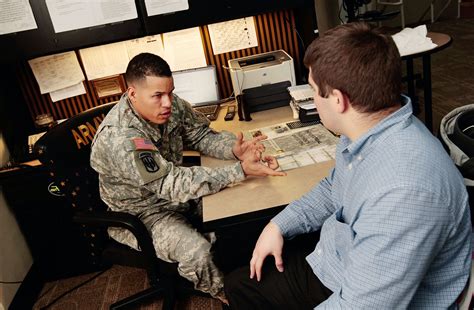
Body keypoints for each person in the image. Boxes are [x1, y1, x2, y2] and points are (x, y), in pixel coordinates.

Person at [224, 22, 472, 309]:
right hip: (343, 260)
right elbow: (335, 186)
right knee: (240, 276)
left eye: (314, 90)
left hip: (360, 291)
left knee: (244, 283)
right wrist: (278, 225)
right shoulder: (371, 127)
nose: (313, 99)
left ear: (339, 100)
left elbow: (363, 306)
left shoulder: (405, 192)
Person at [90, 53, 285, 304]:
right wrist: (239, 170)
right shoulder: (120, 139)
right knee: (198, 252)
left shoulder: (170, 104)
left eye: (170, 92)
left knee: (240, 210)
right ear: (132, 94)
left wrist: (234, 150)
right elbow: (172, 184)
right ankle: (229, 296)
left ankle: (258, 272)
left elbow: (200, 135)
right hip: (142, 213)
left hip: (176, 199)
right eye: (158, 96)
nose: (168, 103)